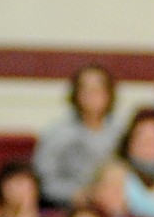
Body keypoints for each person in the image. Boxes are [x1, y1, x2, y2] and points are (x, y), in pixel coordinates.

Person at [34, 62, 122, 208]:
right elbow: (42, 179)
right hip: (67, 206)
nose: (92, 95)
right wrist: (74, 193)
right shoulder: (57, 132)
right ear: (75, 93)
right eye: (85, 89)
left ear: (109, 94)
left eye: (98, 89)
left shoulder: (120, 132)